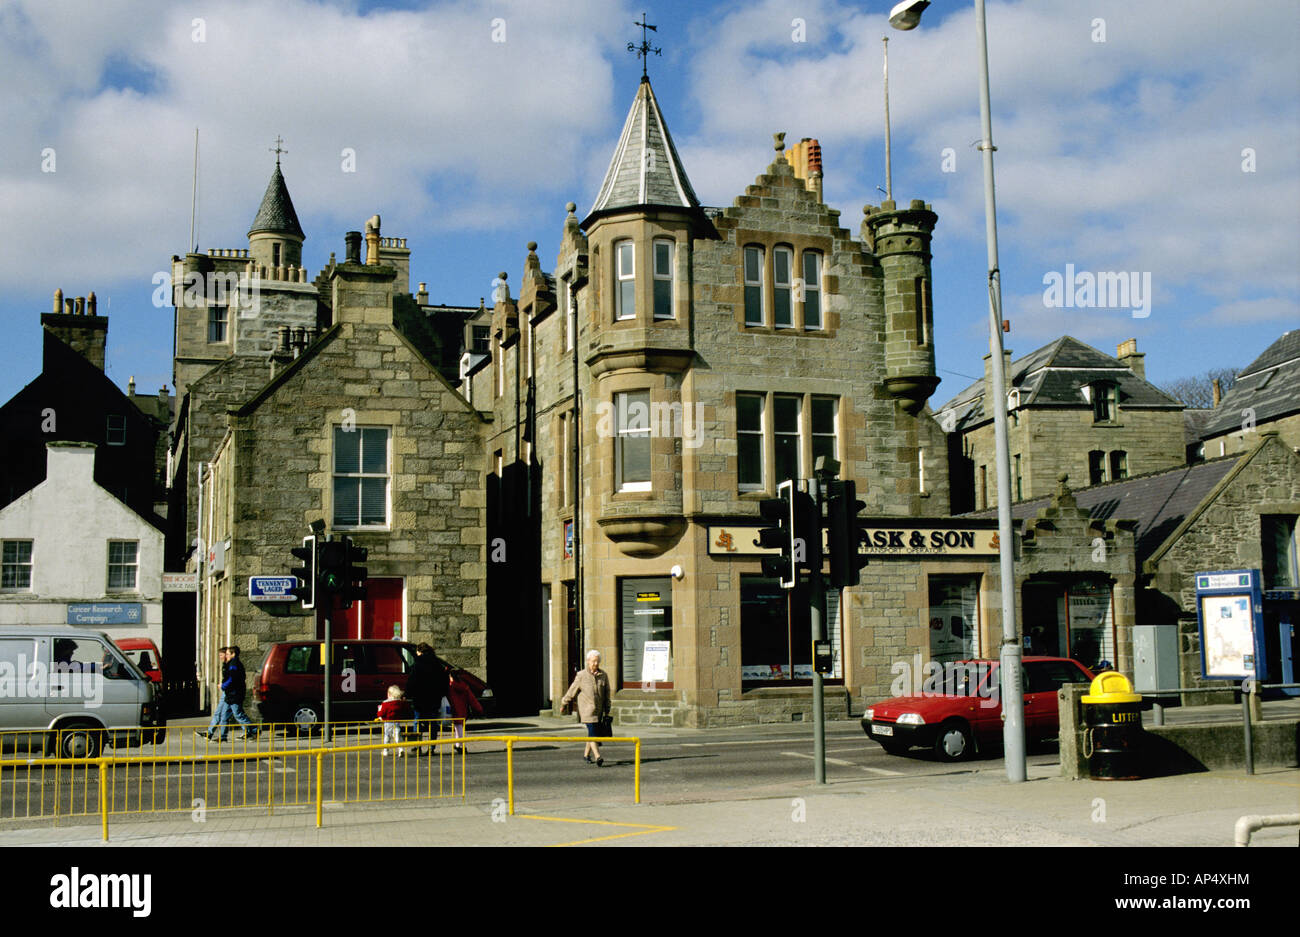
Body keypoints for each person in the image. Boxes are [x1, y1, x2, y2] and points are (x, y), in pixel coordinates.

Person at [560, 649, 611, 767]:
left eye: (597, 661)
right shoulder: (581, 675)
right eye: (593, 661)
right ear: (588, 661)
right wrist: (564, 703)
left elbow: (607, 693)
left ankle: (586, 755)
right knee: (593, 733)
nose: (595, 664)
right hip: (587, 711)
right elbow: (572, 690)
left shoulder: (603, 675)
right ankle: (598, 756)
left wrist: (607, 708)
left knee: (592, 733)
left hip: (599, 711)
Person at [198, 646, 257, 742]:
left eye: (228, 654)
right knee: (224, 715)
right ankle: (223, 737)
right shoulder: (230, 663)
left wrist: (223, 686)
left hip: (234, 694)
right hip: (230, 694)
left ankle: (254, 730)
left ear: (233, 654)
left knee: (238, 714)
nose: (226, 655)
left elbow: (232, 678)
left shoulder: (234, 664)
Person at [406, 643, 448, 754]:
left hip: (419, 698)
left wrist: (407, 694)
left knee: (418, 722)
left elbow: (412, 682)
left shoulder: (417, 664)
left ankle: (418, 746)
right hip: (434, 698)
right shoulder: (437, 664)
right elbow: (444, 681)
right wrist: (442, 693)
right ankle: (431, 747)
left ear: (419, 652)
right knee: (433, 723)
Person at [444, 671, 484, 753]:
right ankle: (458, 744)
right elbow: (472, 699)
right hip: (463, 710)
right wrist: (479, 708)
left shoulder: (450, 687)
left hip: (455, 709)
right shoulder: (465, 686)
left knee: (458, 728)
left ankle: (461, 745)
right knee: (459, 727)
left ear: (450, 677)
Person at [375, 685, 410, 756]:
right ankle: (401, 750)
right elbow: (406, 708)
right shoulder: (400, 703)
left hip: (387, 722)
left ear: (389, 694)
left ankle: (386, 751)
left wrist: (379, 710)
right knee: (397, 736)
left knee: (387, 736)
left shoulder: (385, 703)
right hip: (396, 722)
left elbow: (381, 713)